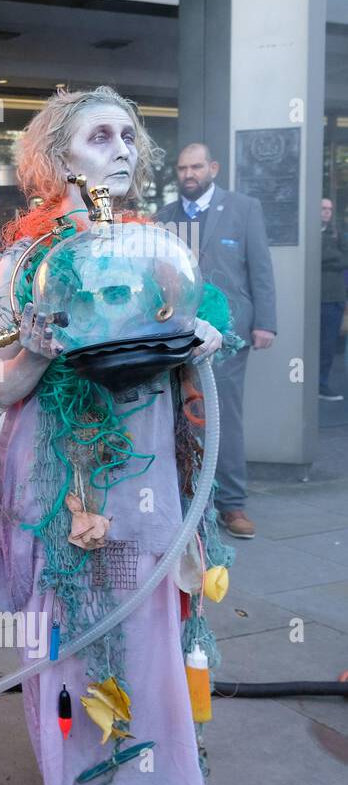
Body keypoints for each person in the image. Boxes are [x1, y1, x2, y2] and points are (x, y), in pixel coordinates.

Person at [0, 86, 227, 785]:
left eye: (126, 135)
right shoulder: (26, 257)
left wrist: (203, 337)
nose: (119, 147)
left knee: (148, 638)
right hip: (59, 487)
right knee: (65, 647)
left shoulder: (156, 250)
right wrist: (32, 351)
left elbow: (193, 329)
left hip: (142, 482)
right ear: (56, 159)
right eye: (97, 137)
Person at [155, 143, 275, 539]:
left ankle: (232, 505)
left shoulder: (243, 209)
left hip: (229, 334)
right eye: (182, 167)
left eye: (196, 167)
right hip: (179, 332)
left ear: (213, 168)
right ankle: (190, 501)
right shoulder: (166, 216)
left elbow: (260, 269)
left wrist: (266, 324)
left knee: (225, 417)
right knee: (181, 414)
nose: (188, 173)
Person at [319, 197, 346, 401]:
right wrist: (333, 257)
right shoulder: (309, 232)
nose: (327, 211)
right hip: (312, 299)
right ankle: (304, 381)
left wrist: (326, 256)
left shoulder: (338, 234)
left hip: (333, 298)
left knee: (328, 345)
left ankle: (323, 384)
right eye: (323, 208)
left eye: (329, 208)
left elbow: (343, 259)